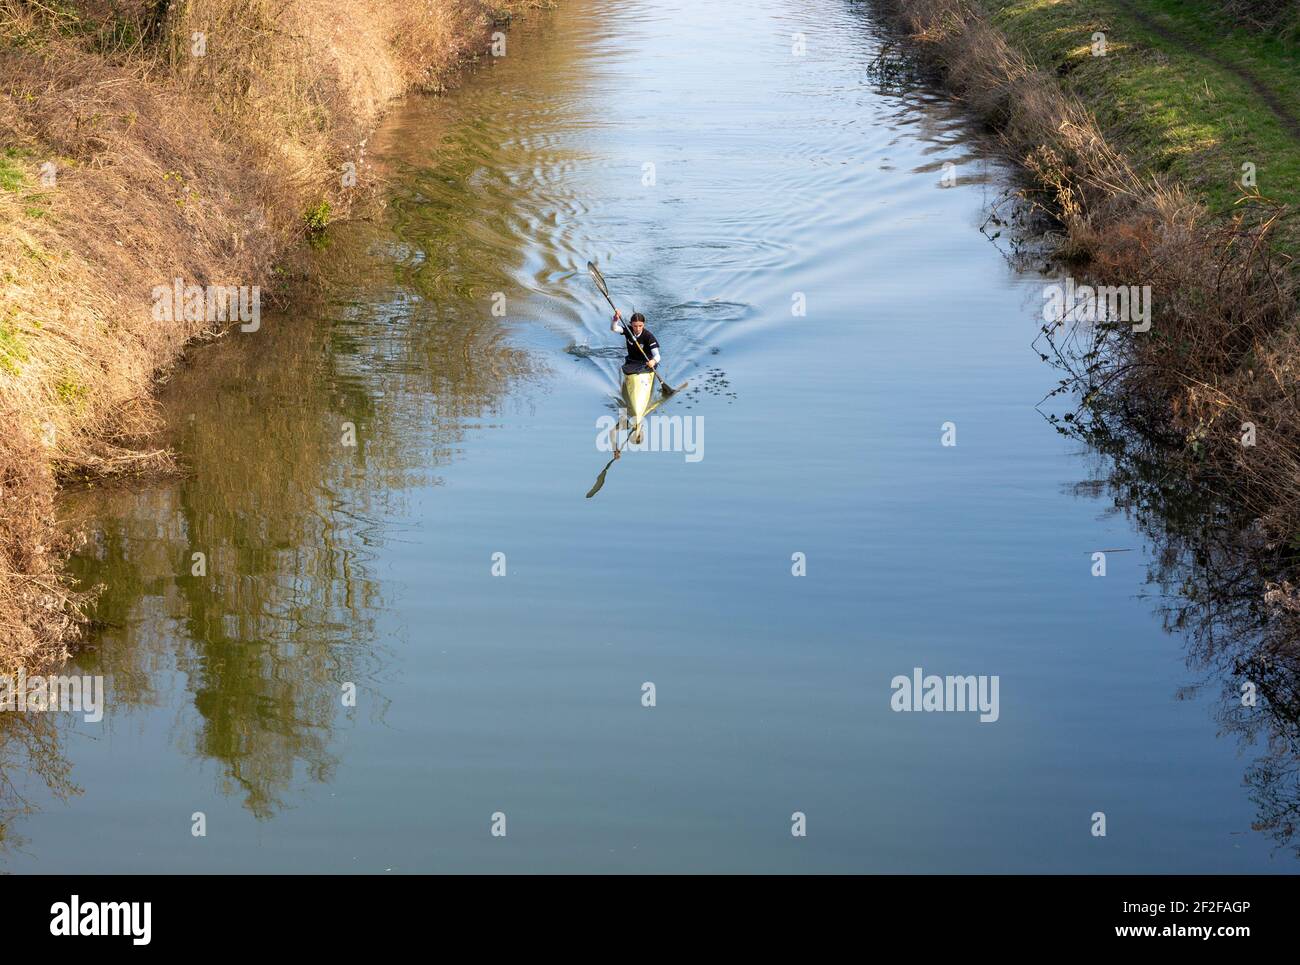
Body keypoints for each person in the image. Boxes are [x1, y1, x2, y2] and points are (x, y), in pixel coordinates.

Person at [611, 310, 660, 374]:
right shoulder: (628, 330)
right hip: (632, 361)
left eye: (640, 326)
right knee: (627, 369)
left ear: (643, 324)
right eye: (635, 326)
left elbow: (657, 356)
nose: (638, 329)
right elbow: (614, 328)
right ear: (631, 324)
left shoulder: (649, 336)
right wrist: (615, 319)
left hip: (646, 362)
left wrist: (653, 361)